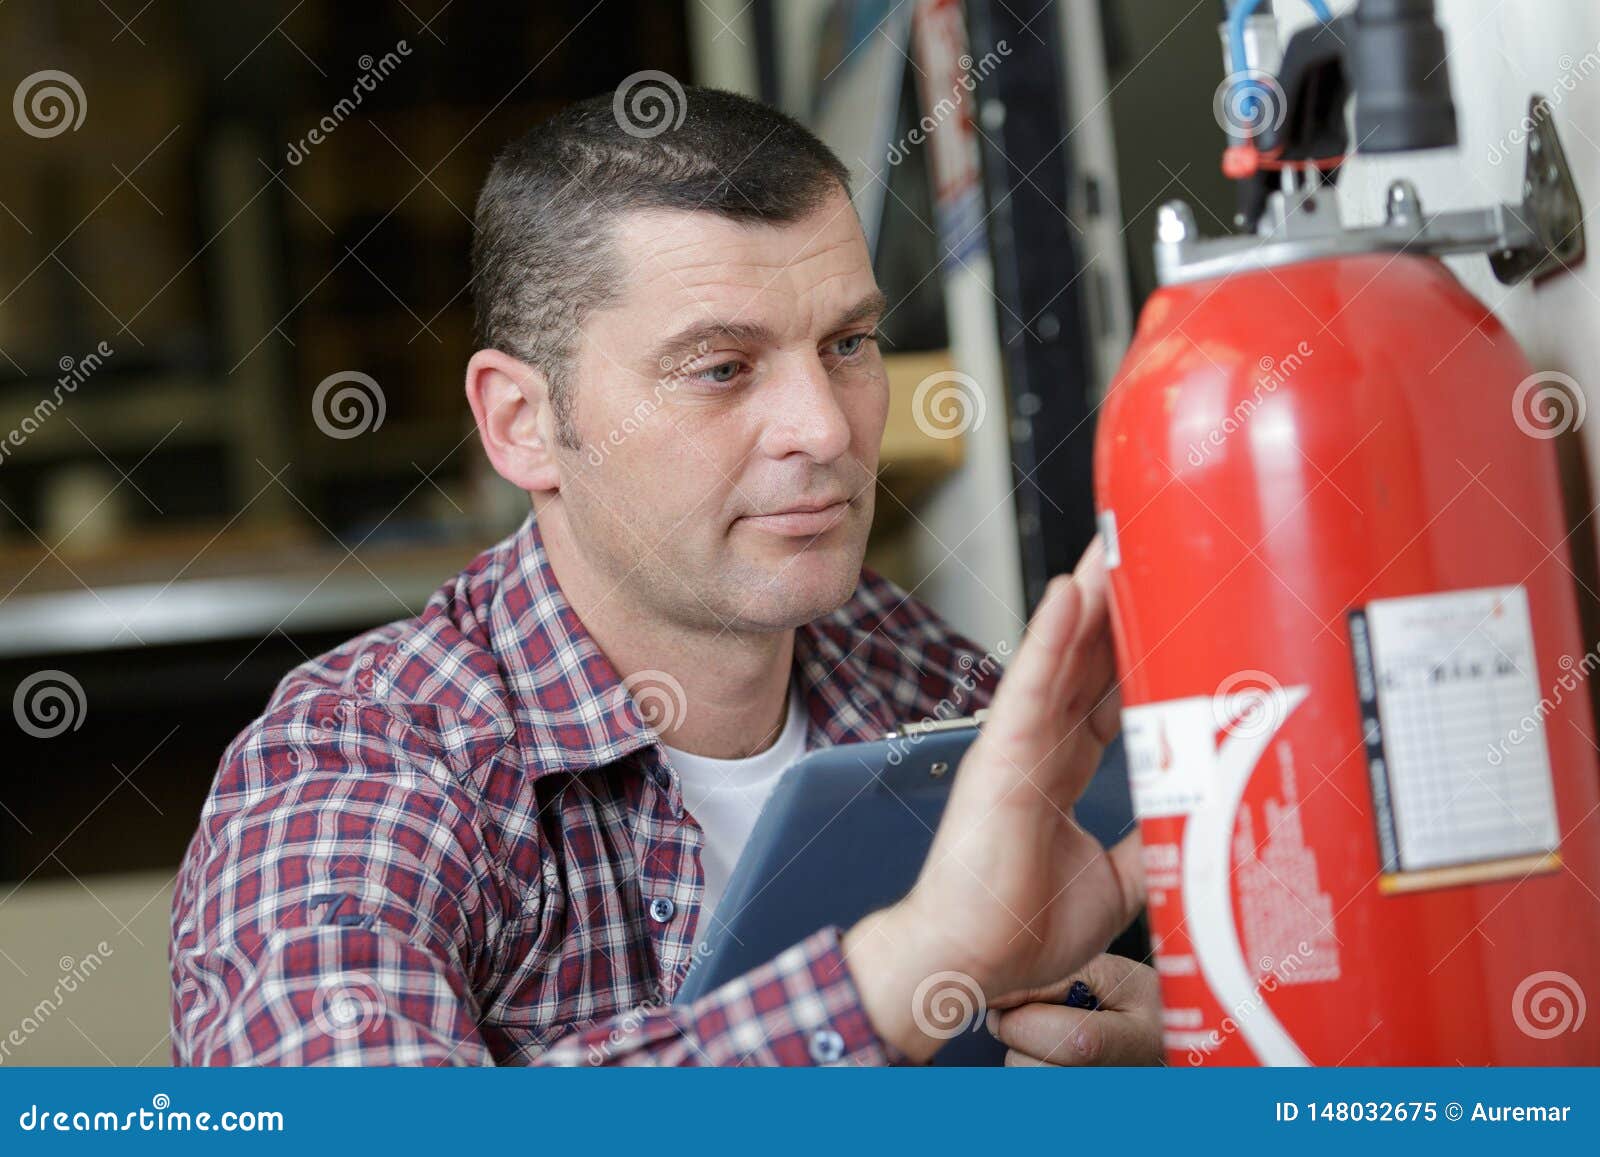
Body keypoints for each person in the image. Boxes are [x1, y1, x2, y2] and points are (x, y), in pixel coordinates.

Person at [170, 85, 1158, 1066]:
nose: (824, 427)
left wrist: (1179, 1051)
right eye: (722, 367)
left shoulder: (926, 677)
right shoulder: (356, 759)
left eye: (847, 343)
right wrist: (897, 978)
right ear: (523, 422)